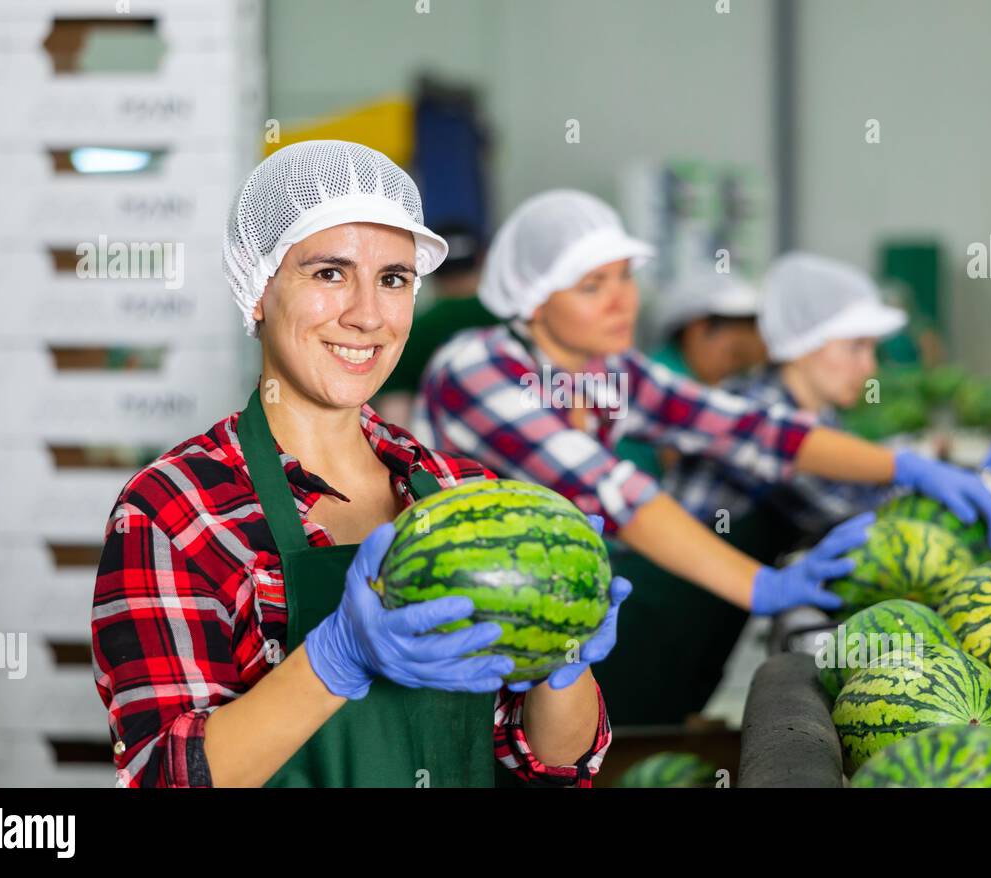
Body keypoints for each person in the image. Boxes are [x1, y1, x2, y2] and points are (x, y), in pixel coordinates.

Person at [91, 142, 626, 788]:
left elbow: (548, 769)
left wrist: (561, 661)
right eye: (329, 274)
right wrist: (333, 659)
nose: (368, 315)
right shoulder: (173, 511)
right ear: (256, 291)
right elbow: (161, 779)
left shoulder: (463, 492)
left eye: (393, 279)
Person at [413, 190, 991, 724]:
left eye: (625, 276)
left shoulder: (608, 370)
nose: (622, 300)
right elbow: (614, 494)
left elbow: (747, 428)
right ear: (535, 301)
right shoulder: (477, 369)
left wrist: (900, 466)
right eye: (593, 285)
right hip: (464, 627)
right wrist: (762, 586)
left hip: (552, 610)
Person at [667, 252, 991, 545]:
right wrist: (981, 489)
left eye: (872, 349)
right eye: (856, 348)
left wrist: (970, 475)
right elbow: (847, 512)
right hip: (667, 614)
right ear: (804, 345)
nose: (870, 368)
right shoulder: (764, 412)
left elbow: (862, 486)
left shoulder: (812, 410)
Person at [617, 273, 766, 479]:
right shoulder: (667, 381)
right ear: (699, 329)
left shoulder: (679, 372)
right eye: (734, 356)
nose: (730, 371)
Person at [373, 223, 498, 425]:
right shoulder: (511, 318)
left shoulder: (411, 328)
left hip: (442, 452)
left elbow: (395, 412)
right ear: (482, 258)